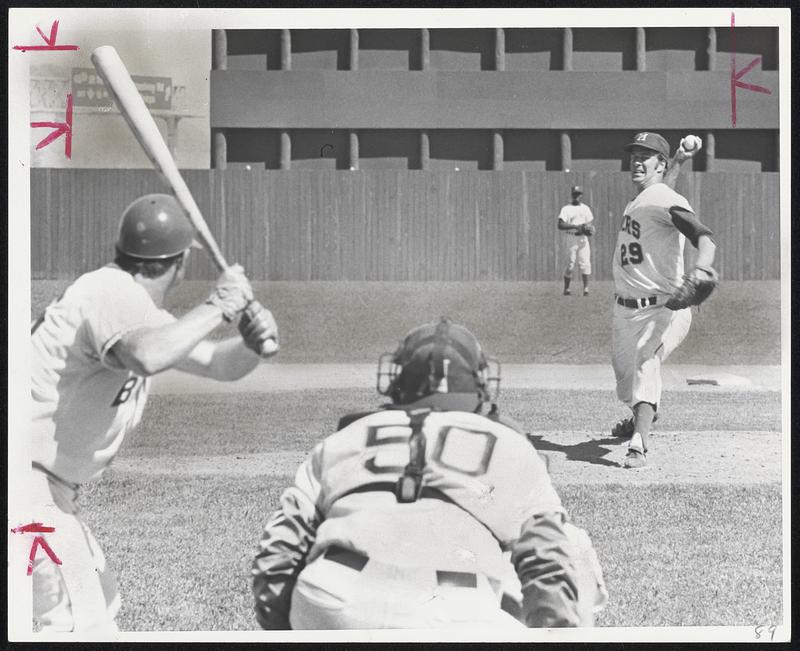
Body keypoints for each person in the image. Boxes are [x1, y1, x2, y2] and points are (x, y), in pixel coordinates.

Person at [252, 318, 607, 630]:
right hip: (455, 611)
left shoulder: (342, 440)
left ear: (397, 381)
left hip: (331, 596)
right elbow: (547, 561)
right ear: (479, 384)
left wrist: (289, 631)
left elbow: (278, 554)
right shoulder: (509, 444)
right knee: (571, 542)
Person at [29, 193, 279, 633]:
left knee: (93, 608)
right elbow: (146, 355)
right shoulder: (109, 293)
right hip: (28, 489)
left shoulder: (129, 305)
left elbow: (217, 364)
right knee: (80, 625)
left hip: (44, 493)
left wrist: (252, 345)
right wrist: (219, 305)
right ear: (179, 263)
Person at [611, 132, 717, 469]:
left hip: (664, 307)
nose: (637, 162)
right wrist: (681, 161)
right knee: (626, 382)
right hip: (625, 311)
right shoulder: (644, 198)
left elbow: (705, 238)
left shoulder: (660, 198)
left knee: (646, 362)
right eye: (634, 156)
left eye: (646, 156)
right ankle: (641, 416)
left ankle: (638, 445)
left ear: (659, 163)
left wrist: (701, 268)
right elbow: (663, 188)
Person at [556, 185, 595, 296]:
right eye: (574, 194)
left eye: (578, 194)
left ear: (581, 195)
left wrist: (588, 229)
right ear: (572, 195)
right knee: (570, 263)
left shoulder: (585, 208)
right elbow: (560, 224)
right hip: (571, 237)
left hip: (582, 238)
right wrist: (575, 226)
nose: (576, 196)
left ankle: (586, 289)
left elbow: (589, 223)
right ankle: (567, 288)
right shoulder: (566, 209)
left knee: (585, 263)